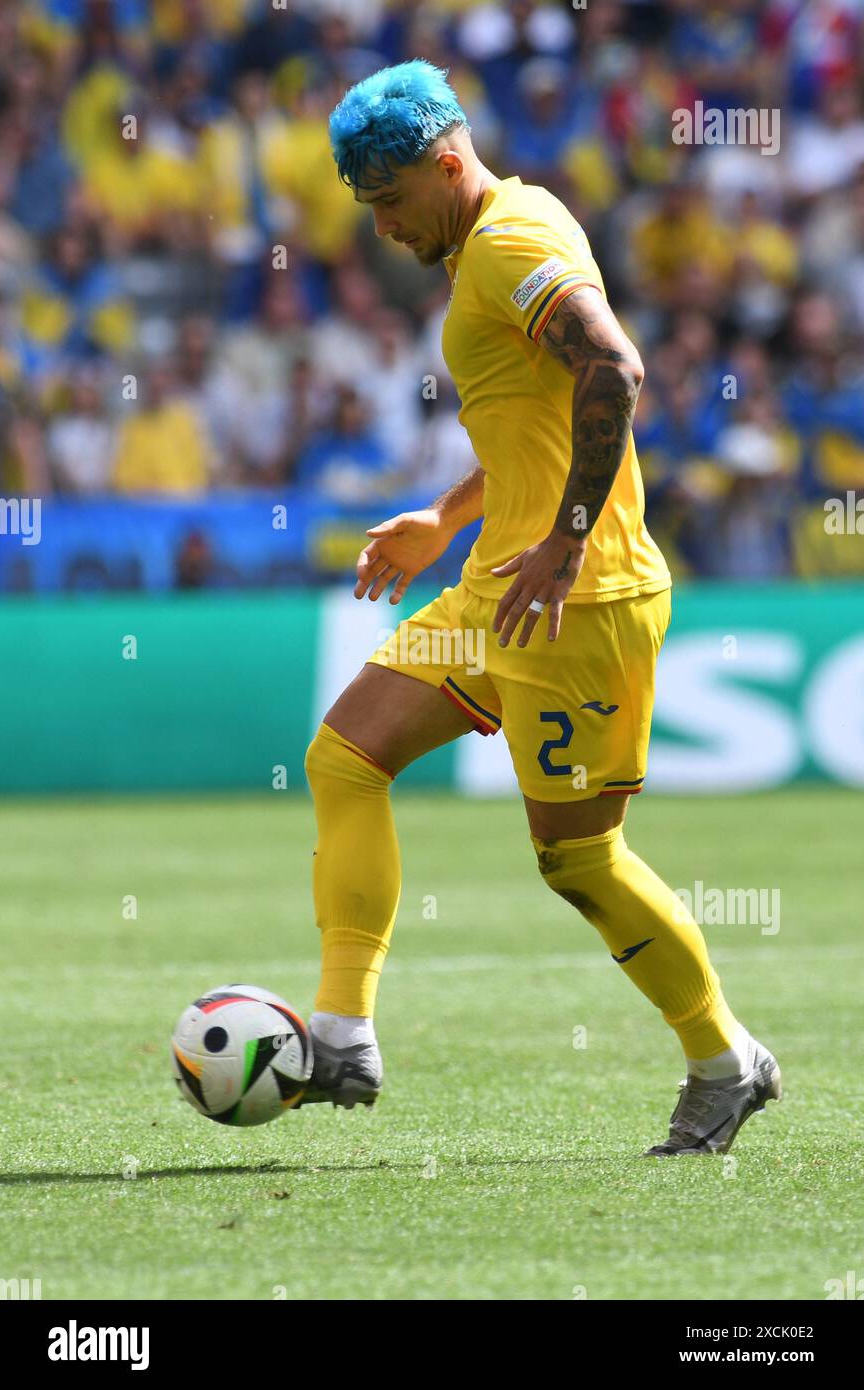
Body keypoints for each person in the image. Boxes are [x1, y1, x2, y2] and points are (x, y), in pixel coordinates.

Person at [300, 61, 781, 1156]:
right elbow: (544, 408)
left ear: (443, 160)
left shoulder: (508, 245)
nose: (380, 230)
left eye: (386, 203)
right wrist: (446, 514)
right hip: (497, 590)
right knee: (343, 757)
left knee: (576, 860)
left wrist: (563, 547)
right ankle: (340, 1033)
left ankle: (723, 1060)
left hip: (576, 602)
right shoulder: (508, 226)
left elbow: (612, 370)